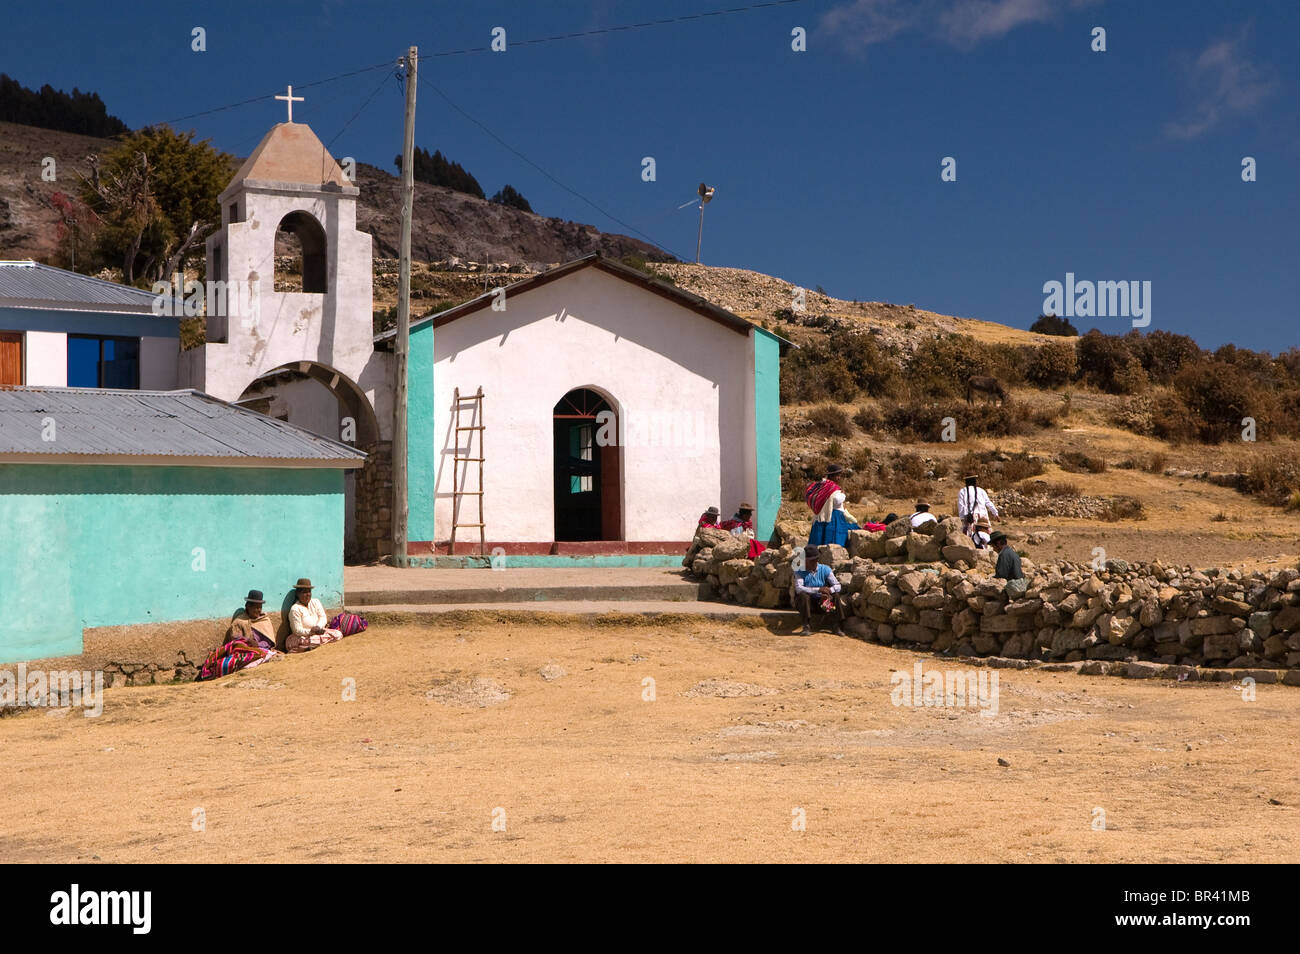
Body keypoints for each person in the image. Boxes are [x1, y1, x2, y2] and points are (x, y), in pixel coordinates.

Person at [792, 549, 847, 636]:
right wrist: (818, 590)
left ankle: (836, 626)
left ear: (815, 561)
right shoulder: (799, 571)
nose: (805, 563)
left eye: (808, 561)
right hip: (808, 604)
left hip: (823, 603)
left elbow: (838, 586)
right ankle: (806, 626)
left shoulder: (825, 569)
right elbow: (799, 588)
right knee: (803, 596)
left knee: (835, 595)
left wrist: (829, 592)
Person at [287, 578, 344, 653]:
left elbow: (323, 617)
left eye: (309, 592)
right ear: (298, 594)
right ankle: (311, 645)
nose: (307, 595)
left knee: (338, 634)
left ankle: (308, 647)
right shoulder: (295, 609)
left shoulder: (316, 602)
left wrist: (318, 627)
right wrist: (311, 632)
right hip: (302, 637)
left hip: (318, 633)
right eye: (304, 592)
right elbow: (297, 630)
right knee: (294, 643)